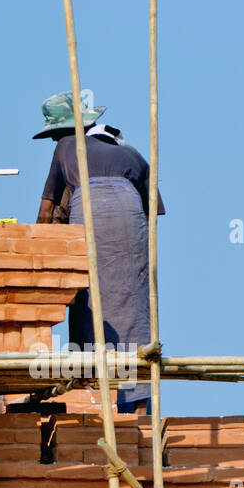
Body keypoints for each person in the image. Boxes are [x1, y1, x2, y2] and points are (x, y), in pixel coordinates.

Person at [32, 92, 165, 414]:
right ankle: (137, 407)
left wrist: (36, 248)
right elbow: (153, 210)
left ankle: (92, 389)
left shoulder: (66, 145)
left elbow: (47, 208)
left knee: (87, 296)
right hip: (132, 218)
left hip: (92, 210)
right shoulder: (129, 152)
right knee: (134, 303)